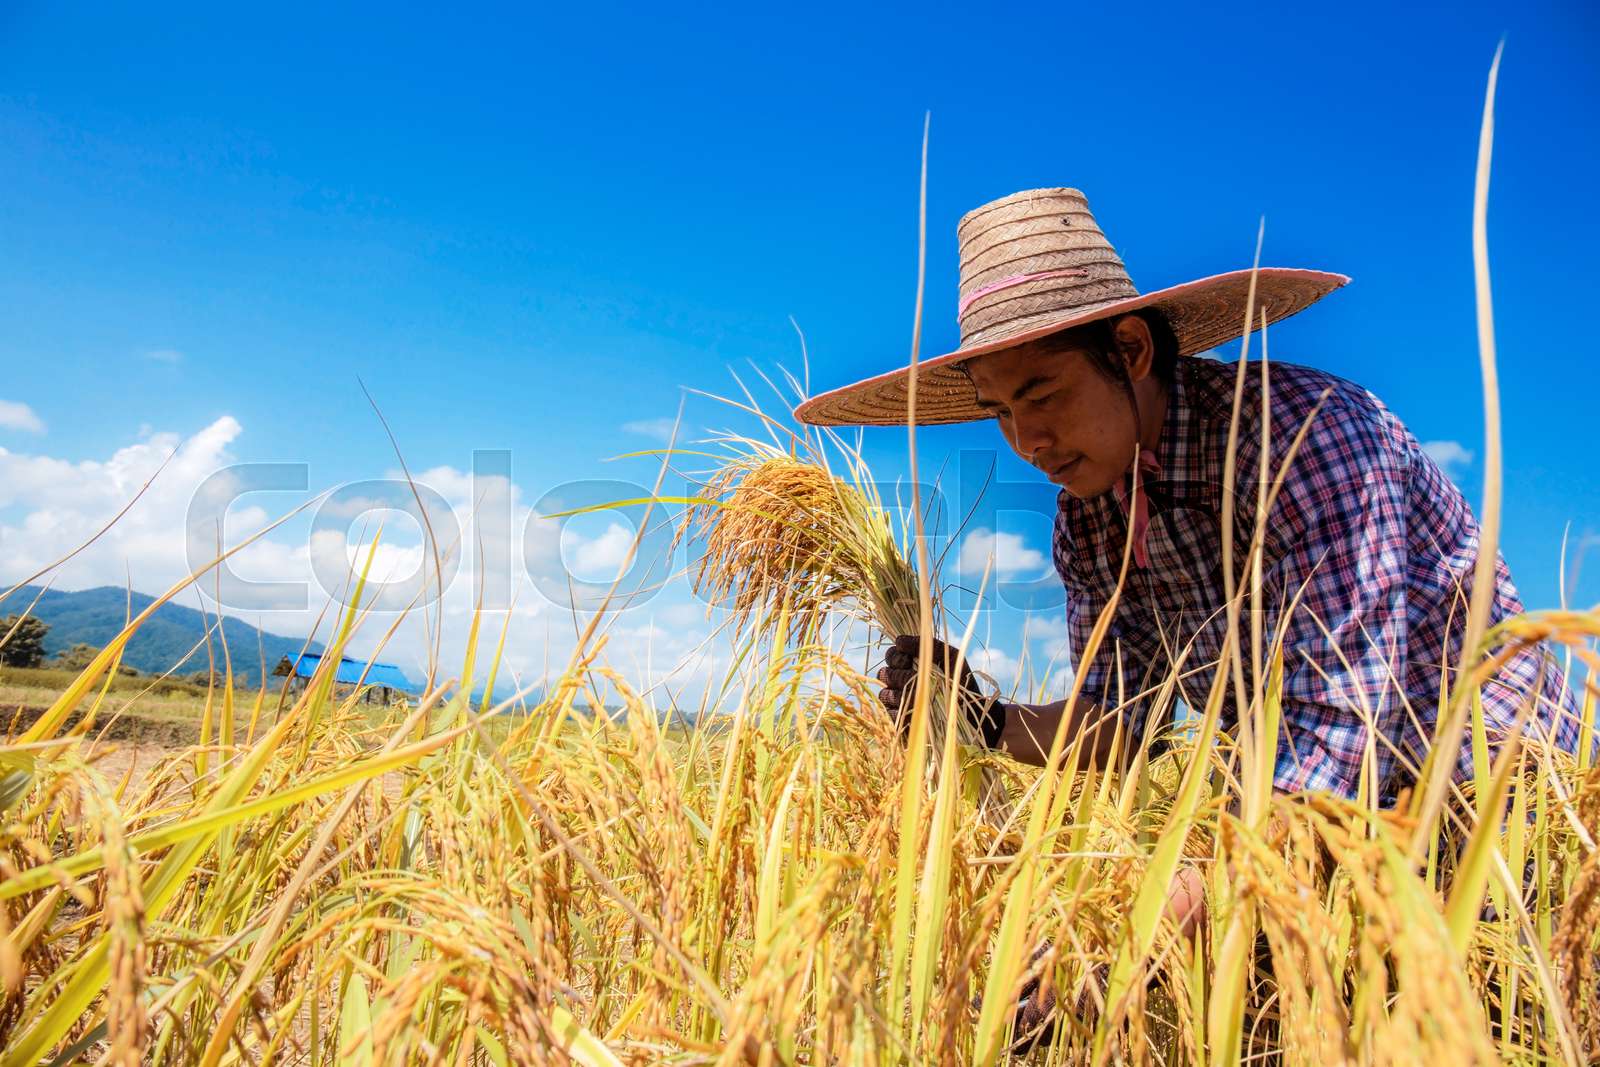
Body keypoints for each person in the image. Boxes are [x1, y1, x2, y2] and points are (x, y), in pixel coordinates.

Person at [794, 187, 1579, 1041]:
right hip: (1305, 835)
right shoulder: (1092, 515)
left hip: (1497, 814)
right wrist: (978, 715)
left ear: (1129, 349)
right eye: (1000, 411)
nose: (1026, 439)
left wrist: (1134, 937)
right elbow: (1118, 720)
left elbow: (1338, 749)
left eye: (1043, 393)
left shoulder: (1308, 442)